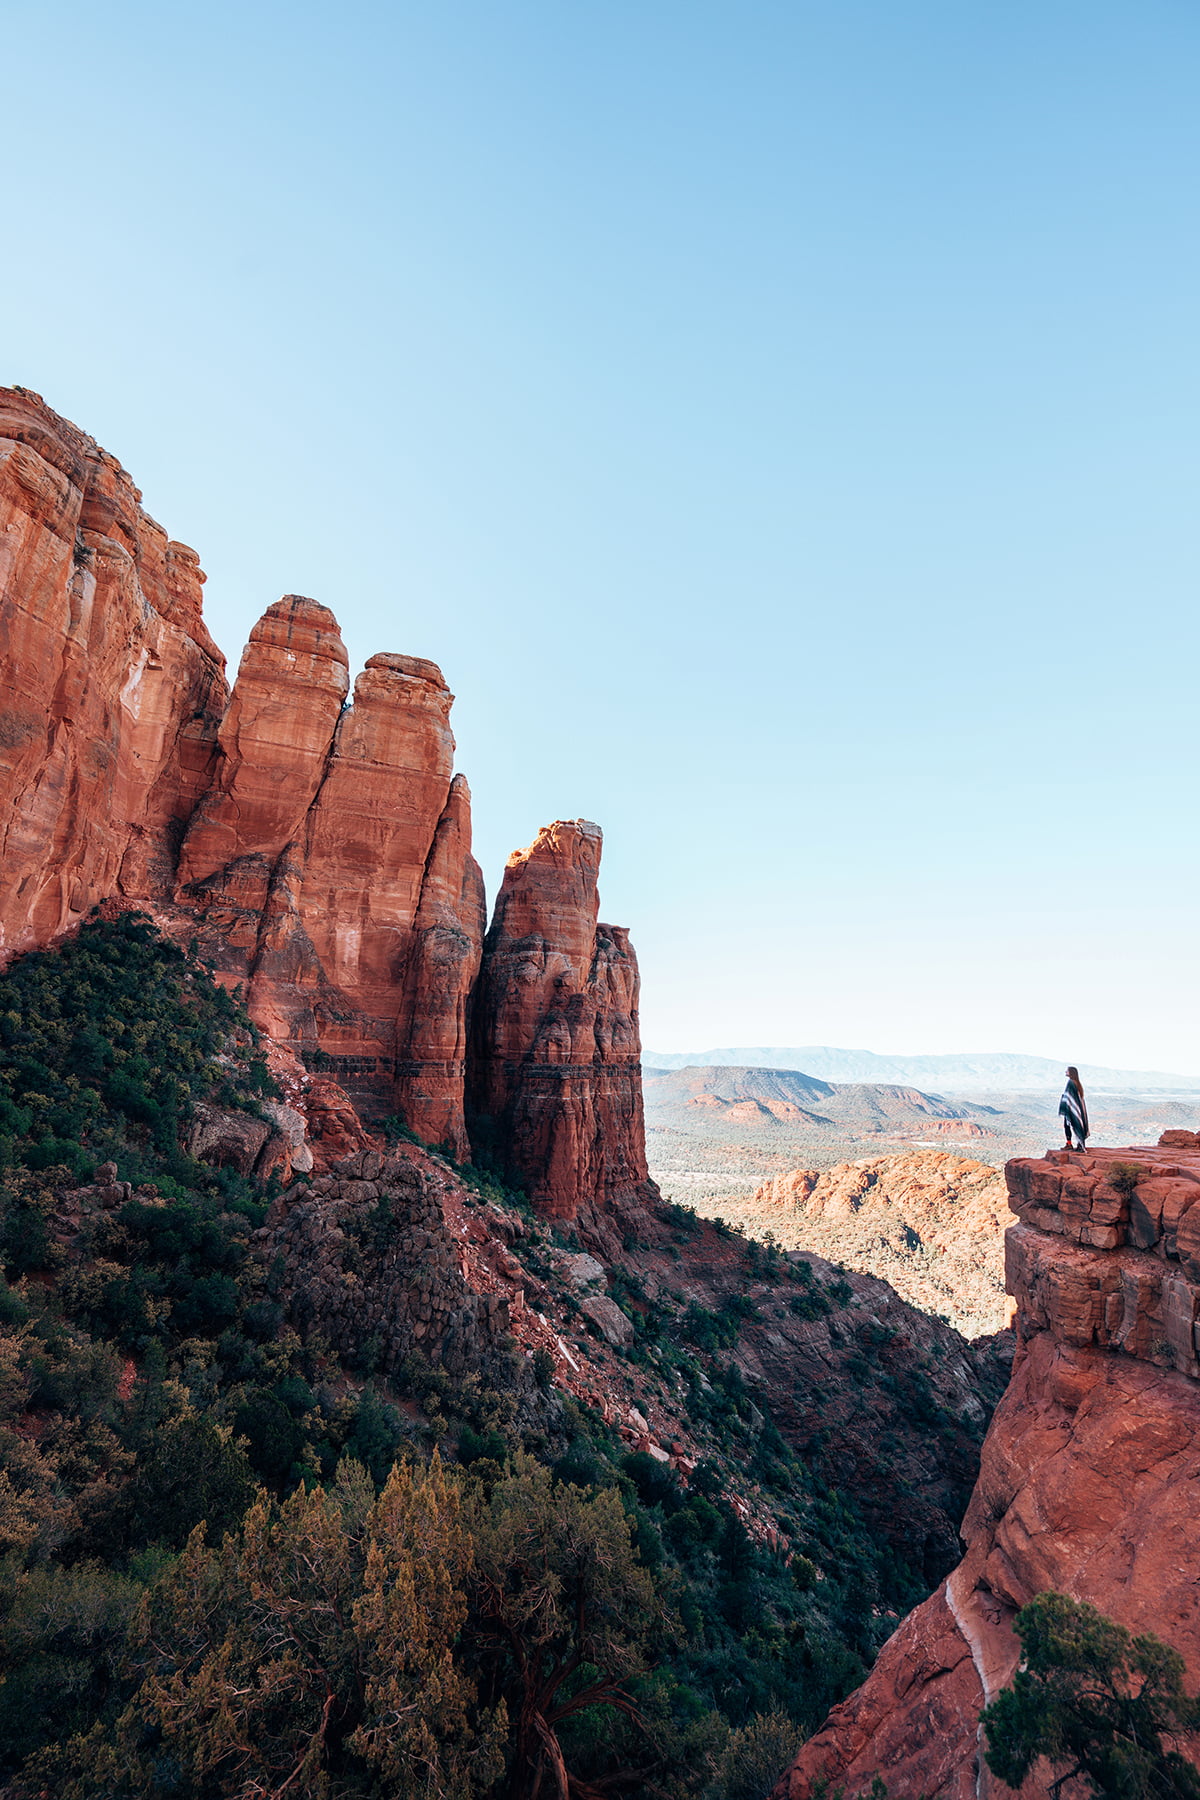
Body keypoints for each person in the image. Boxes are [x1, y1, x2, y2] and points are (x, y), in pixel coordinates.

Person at [1058, 1065, 1089, 1151]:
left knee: (1067, 1125)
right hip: (1075, 1108)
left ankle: (1069, 1144)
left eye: (1067, 1071)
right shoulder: (1077, 1083)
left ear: (1071, 1072)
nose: (1065, 1072)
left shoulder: (1071, 1082)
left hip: (1070, 1109)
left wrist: (1065, 1103)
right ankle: (1079, 1144)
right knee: (1076, 1125)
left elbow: (1069, 1097)